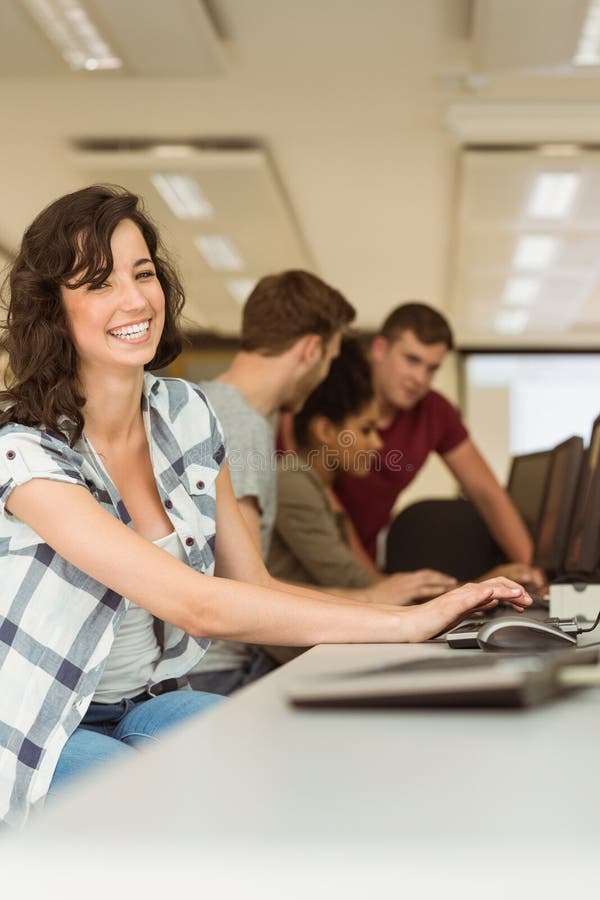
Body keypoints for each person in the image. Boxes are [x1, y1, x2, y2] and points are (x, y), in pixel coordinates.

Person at [0, 185, 531, 828]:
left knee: (283, 766)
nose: (135, 300)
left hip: (147, 697)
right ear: (53, 311)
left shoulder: (188, 415)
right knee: (154, 810)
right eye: (100, 284)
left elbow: (252, 584)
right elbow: (195, 602)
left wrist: (420, 620)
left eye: (143, 274)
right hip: (44, 715)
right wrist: (406, 624)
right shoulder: (24, 454)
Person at [189, 270, 355, 694]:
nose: (324, 375)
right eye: (330, 360)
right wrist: (378, 607)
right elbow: (242, 587)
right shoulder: (241, 424)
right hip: (221, 671)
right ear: (311, 350)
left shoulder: (208, 401)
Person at [265, 336, 458, 663]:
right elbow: (357, 585)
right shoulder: (293, 483)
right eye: (366, 429)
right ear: (326, 431)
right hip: (271, 665)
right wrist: (470, 593)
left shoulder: (313, 485)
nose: (378, 443)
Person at [334, 304, 542, 586]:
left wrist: (534, 572)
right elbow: (322, 505)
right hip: (319, 559)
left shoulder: (434, 411)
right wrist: (374, 586)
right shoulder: (336, 397)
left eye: (432, 368)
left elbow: (486, 493)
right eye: (411, 360)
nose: (420, 378)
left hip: (366, 567)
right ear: (380, 349)